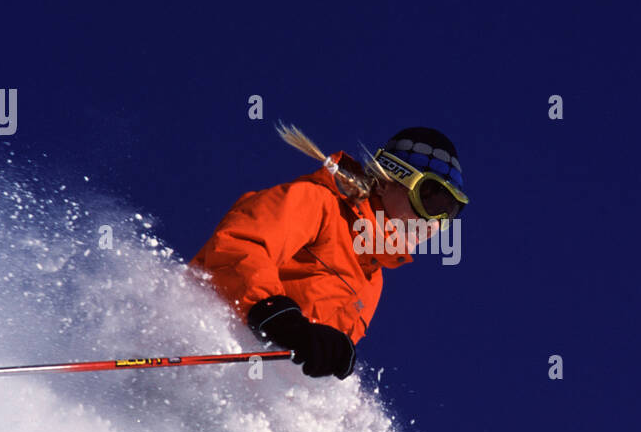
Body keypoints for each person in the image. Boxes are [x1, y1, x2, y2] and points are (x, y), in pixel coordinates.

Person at [190, 123, 468, 379]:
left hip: (247, 395)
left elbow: (308, 355)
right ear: (389, 179)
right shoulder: (319, 203)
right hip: (202, 347)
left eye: (450, 213)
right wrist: (276, 316)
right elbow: (238, 246)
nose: (435, 223)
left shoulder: (372, 281)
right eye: (432, 200)